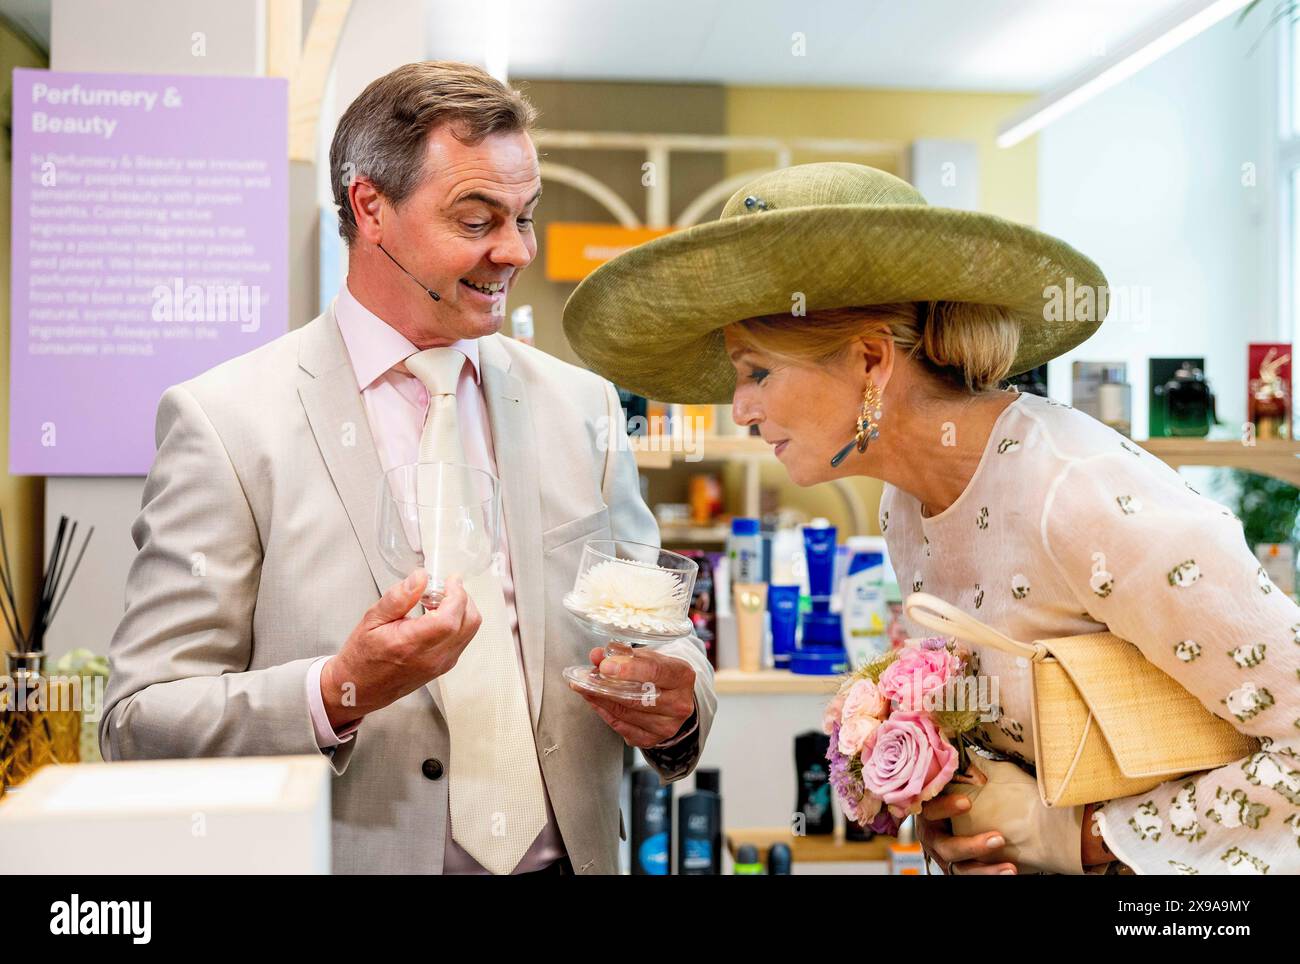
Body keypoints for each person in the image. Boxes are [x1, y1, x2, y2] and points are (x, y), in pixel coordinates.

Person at [563, 161, 1300, 875]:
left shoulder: (1077, 493)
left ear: (872, 360)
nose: (742, 410)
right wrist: (956, 826)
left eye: (757, 371)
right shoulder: (906, 507)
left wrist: (1087, 839)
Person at [100, 61, 715, 875]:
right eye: (476, 219)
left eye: (525, 217)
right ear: (370, 208)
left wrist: (678, 706)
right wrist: (336, 689)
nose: (515, 251)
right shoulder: (226, 423)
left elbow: (665, 635)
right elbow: (137, 720)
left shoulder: (585, 407)